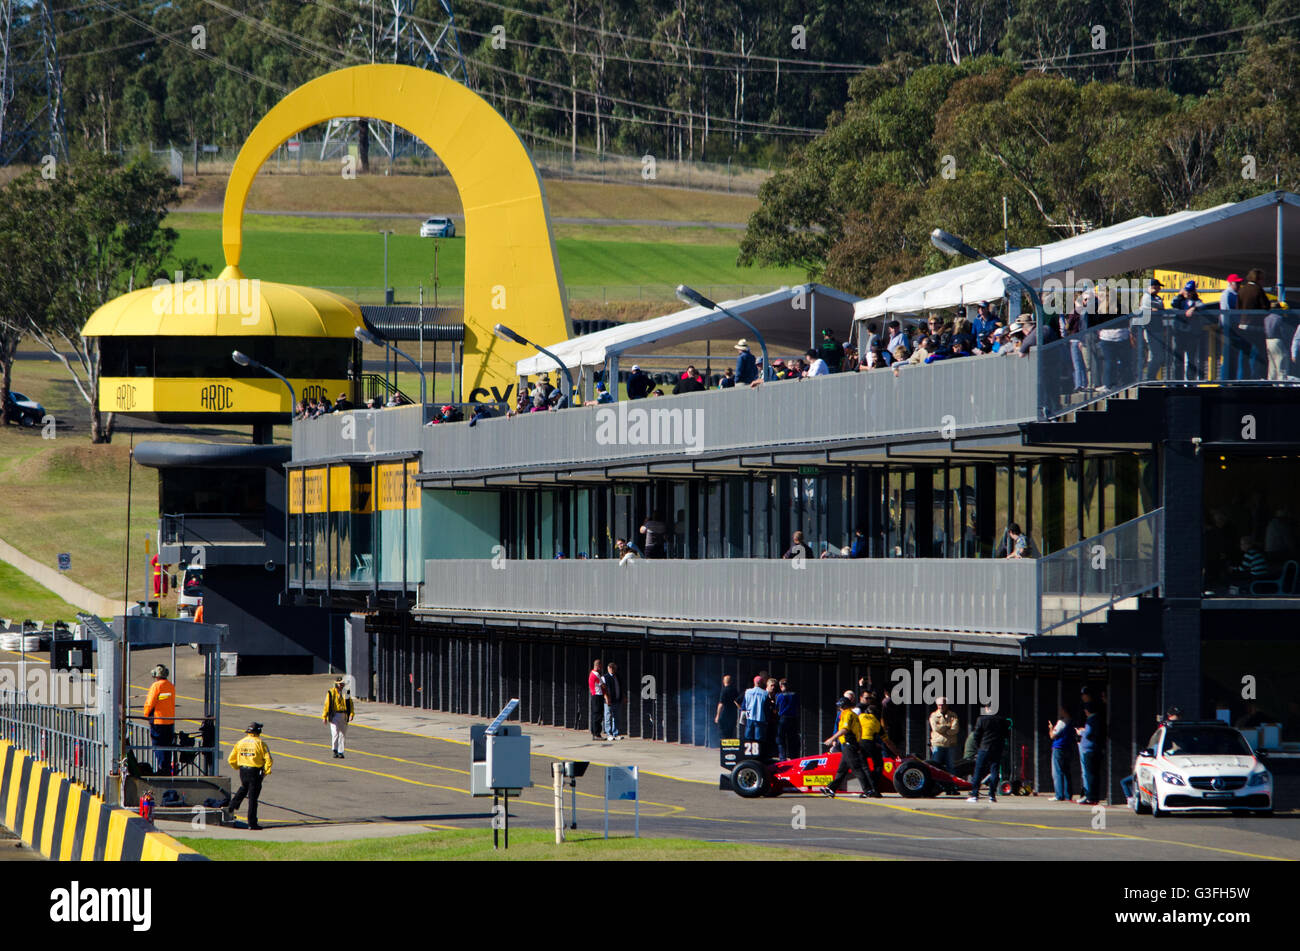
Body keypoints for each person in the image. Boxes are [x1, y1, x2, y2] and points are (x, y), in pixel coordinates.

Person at [821, 698, 875, 798]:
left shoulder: (847, 714)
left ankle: (868, 790)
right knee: (842, 769)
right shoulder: (853, 714)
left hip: (849, 744)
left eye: (840, 706)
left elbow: (844, 729)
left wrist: (832, 739)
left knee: (856, 768)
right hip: (851, 744)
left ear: (844, 706)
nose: (839, 708)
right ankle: (831, 788)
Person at [225, 722, 272, 830]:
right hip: (255, 771)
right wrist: (266, 771)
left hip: (243, 770)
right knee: (253, 798)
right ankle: (252, 822)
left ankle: (232, 805)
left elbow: (231, 759)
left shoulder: (240, 742)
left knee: (244, 787)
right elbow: (268, 759)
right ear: (258, 731)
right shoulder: (260, 743)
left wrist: (237, 767)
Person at [966, 704, 1007, 803]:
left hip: (984, 748)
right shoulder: (1002, 721)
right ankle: (992, 795)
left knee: (978, 771)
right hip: (997, 749)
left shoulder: (981, 720)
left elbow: (976, 735)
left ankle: (975, 794)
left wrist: (978, 746)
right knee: (994, 770)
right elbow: (1006, 735)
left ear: (987, 709)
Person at [143, 664, 176, 775]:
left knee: (158, 745)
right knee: (167, 746)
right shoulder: (170, 686)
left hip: (158, 721)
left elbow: (150, 702)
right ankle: (166, 768)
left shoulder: (156, 686)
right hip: (169, 721)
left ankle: (162, 768)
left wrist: (146, 714)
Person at [1076, 703, 1104, 805]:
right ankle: (1093, 796)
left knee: (1089, 774)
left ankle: (1090, 796)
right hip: (1093, 749)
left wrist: (1081, 732)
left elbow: (1088, 732)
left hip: (1089, 749)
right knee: (1093, 774)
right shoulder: (1097, 719)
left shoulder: (1092, 720)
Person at [321, 676, 354, 759]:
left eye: (342, 683)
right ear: (336, 684)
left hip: (344, 715)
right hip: (335, 715)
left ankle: (341, 751)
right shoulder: (331, 692)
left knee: (342, 734)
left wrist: (351, 714)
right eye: (339, 684)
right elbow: (327, 704)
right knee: (335, 733)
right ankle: (335, 750)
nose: (341, 685)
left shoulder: (346, 692)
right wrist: (324, 716)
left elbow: (350, 704)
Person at [1048, 707, 1075, 801]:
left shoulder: (1062, 722)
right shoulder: (1071, 722)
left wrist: (1051, 728)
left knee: (1057, 771)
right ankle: (1068, 794)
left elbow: (1052, 736)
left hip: (1058, 748)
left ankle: (1059, 794)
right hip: (1068, 748)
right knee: (1066, 771)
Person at [928, 697, 959, 771]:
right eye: (939, 705)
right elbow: (936, 728)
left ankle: (951, 782)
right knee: (935, 767)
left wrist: (943, 729)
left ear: (947, 705)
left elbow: (955, 729)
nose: (941, 706)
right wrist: (948, 726)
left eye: (943, 704)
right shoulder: (933, 715)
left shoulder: (953, 715)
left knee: (951, 767)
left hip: (950, 745)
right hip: (938, 745)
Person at [775, 679, 799, 760]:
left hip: (783, 719)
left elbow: (776, 707)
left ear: (781, 686)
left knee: (781, 739)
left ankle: (782, 758)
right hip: (793, 719)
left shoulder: (779, 696)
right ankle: (793, 758)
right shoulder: (795, 695)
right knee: (792, 739)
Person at [742, 675, 768, 747]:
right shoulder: (765, 693)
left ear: (754, 682)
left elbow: (744, 705)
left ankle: (748, 753)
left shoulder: (747, 692)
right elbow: (766, 708)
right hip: (760, 717)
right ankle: (759, 754)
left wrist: (743, 717)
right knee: (759, 738)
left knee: (748, 736)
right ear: (762, 683)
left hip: (749, 716)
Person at [602, 661, 625, 740]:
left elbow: (620, 687)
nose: (613, 670)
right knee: (608, 717)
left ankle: (616, 733)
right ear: (608, 669)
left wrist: (623, 697)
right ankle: (609, 734)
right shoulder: (604, 677)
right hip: (608, 701)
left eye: (614, 669)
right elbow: (603, 690)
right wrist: (606, 698)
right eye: (611, 669)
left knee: (616, 717)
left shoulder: (617, 676)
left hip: (617, 700)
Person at [715, 674, 740, 741]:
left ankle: (724, 747)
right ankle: (730, 747)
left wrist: (717, 715)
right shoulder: (735, 690)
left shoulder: (724, 691)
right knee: (730, 733)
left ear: (724, 681)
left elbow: (721, 704)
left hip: (724, 714)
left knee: (722, 733)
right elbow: (737, 702)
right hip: (732, 714)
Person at [587, 658, 606, 739]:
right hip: (597, 696)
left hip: (594, 696)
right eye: (600, 666)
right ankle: (597, 734)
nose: (601, 668)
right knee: (598, 716)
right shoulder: (596, 674)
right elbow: (603, 685)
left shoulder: (591, 673)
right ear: (598, 666)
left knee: (595, 715)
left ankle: (594, 732)